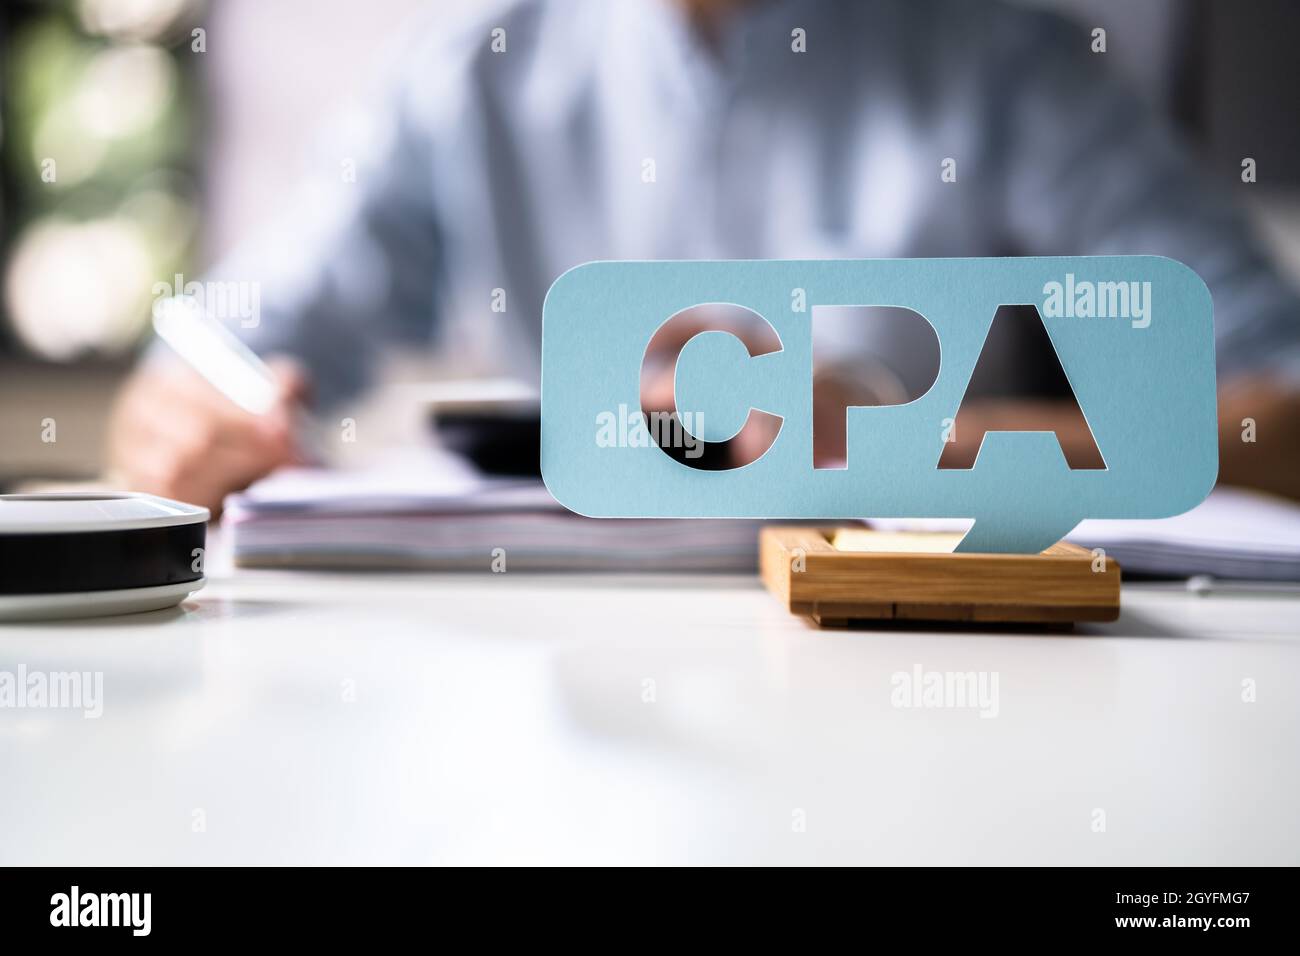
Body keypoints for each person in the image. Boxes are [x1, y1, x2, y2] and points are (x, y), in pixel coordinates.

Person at [108, 0, 1300, 512]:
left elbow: (1277, 414)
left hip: (913, 687)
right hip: (537, 691)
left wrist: (899, 443)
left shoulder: (1004, 64)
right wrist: (173, 426)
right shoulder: (473, 62)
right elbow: (211, 357)